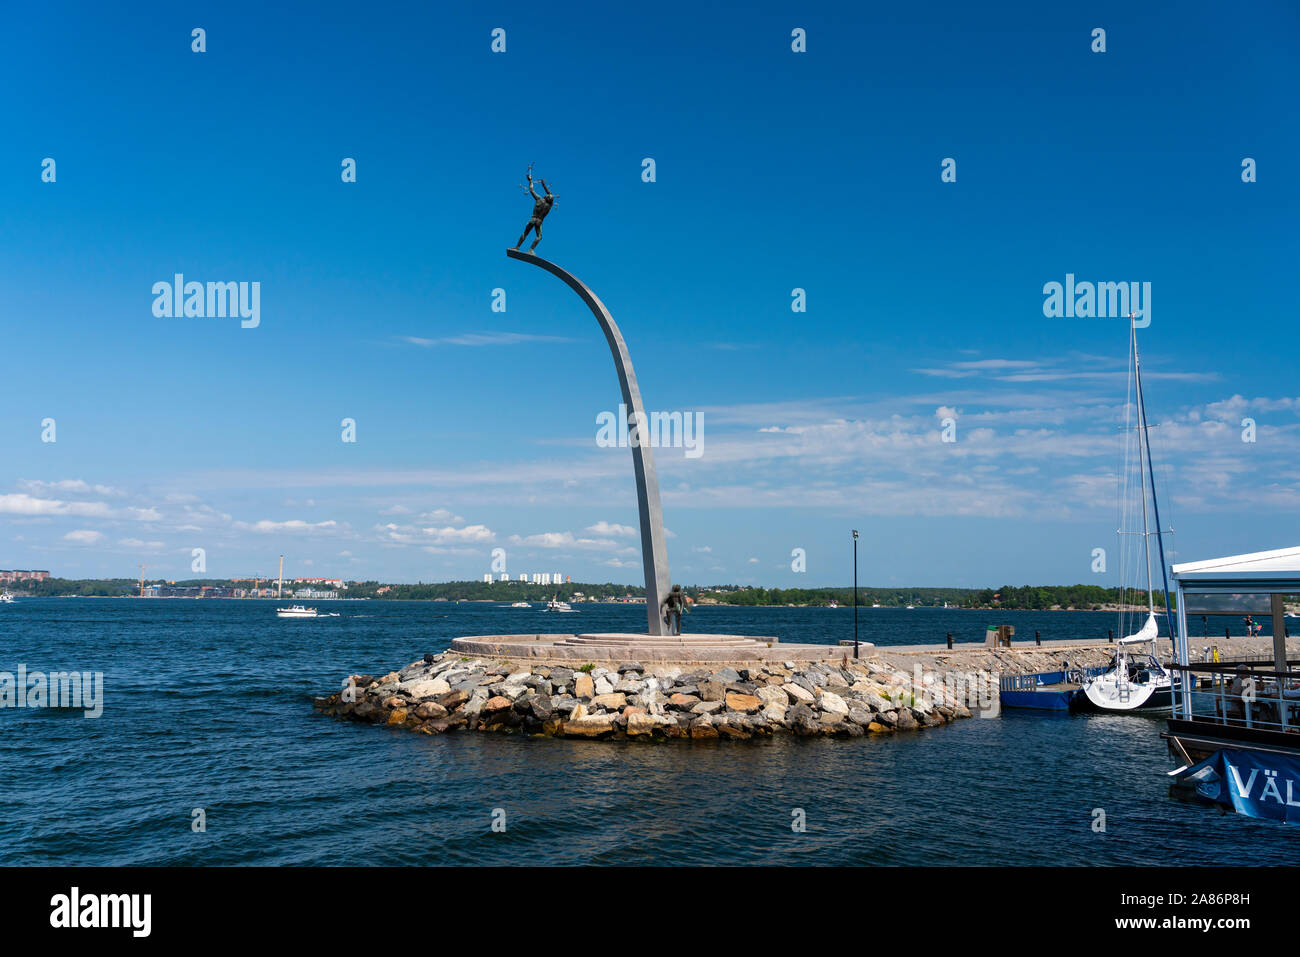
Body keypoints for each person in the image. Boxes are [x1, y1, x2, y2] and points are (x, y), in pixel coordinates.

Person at [514, 165, 556, 253]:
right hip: (539, 222)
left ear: (546, 197)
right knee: (539, 237)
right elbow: (550, 194)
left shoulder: (539, 199)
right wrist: (544, 185)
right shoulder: (549, 205)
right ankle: (531, 250)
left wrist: (530, 181)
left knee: (525, 233)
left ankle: (517, 247)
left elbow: (531, 189)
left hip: (532, 219)